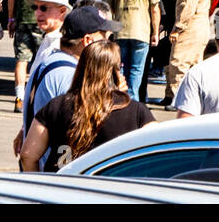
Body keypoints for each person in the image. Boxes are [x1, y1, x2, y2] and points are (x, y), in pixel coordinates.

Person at [19, 40, 154, 172]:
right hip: (114, 190)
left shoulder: (56, 106)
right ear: (116, 71)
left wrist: (42, 187)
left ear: (81, 67)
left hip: (62, 188)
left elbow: (27, 155)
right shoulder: (136, 111)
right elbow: (156, 150)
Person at [13, 5, 121, 160]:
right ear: (88, 40)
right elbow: (76, 129)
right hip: (57, 171)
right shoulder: (69, 75)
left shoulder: (49, 61)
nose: (108, 44)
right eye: (104, 38)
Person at [7, 0, 61, 113]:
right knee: (43, 59)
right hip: (42, 20)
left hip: (22, 18)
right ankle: (36, 98)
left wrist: (11, 18)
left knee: (21, 60)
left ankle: (19, 98)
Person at [108, 0, 161, 102]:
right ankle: (133, 102)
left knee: (120, 69)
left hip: (121, 32)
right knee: (136, 71)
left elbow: (110, 9)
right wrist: (155, 33)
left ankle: (119, 99)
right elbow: (155, 10)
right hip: (141, 33)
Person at [163, 0, 211, 108]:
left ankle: (177, 98)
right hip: (201, 26)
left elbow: (188, 8)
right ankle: (173, 96)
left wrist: (178, 28)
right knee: (195, 64)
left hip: (191, 27)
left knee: (179, 62)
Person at [25, 0, 73, 80]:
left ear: (62, 10)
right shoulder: (48, 38)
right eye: (35, 7)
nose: (38, 13)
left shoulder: (64, 46)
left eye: (44, 8)